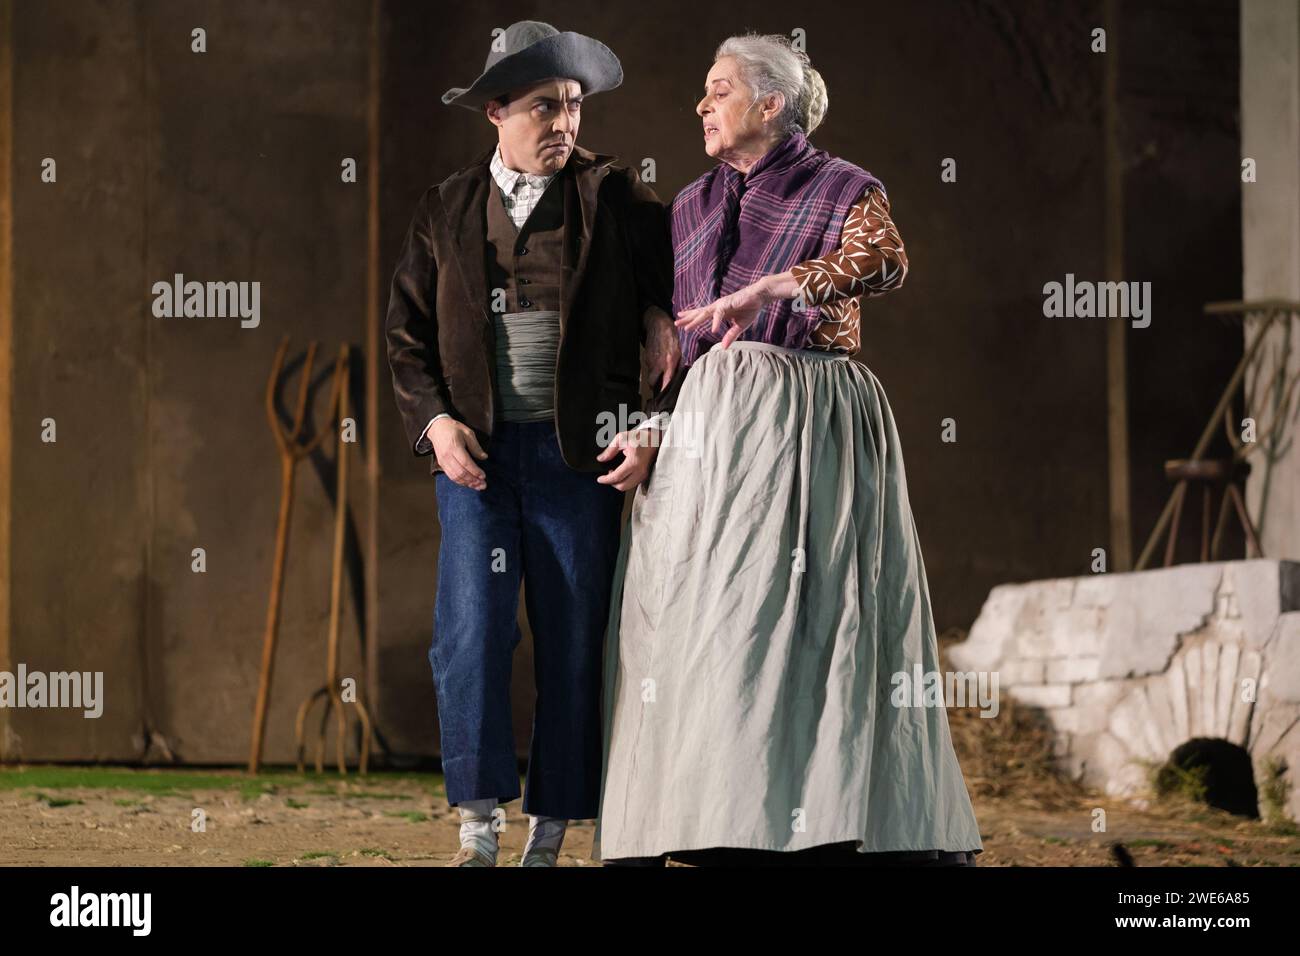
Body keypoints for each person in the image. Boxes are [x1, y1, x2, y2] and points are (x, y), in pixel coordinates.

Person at [593, 33, 983, 866]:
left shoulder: (841, 185)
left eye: (719, 89)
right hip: (712, 427)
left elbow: (886, 262)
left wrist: (781, 285)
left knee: (817, 616)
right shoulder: (694, 206)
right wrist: (656, 427)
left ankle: (833, 822)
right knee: (714, 623)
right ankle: (718, 820)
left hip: (809, 412)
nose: (701, 104)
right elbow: (693, 347)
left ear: (771, 105)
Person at [385, 20, 680, 867]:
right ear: (496, 112)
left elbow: (682, 293)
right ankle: (479, 818)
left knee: (574, 632)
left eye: (576, 107)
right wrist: (437, 426)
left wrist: (659, 317)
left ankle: (555, 826)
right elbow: (405, 336)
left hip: (579, 457)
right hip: (475, 459)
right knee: (471, 630)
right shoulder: (445, 208)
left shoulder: (617, 197)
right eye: (546, 106)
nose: (566, 124)